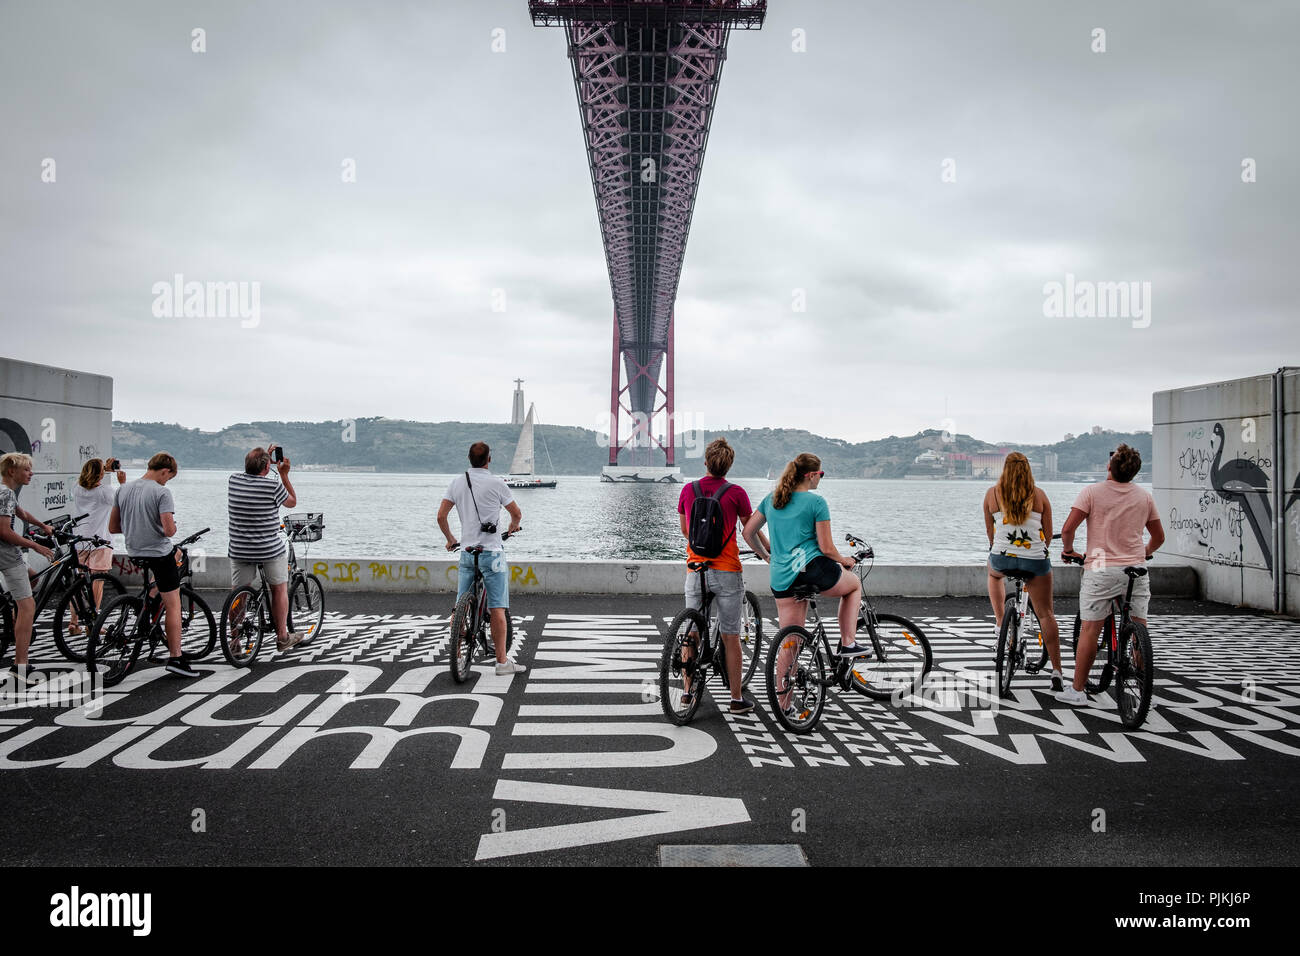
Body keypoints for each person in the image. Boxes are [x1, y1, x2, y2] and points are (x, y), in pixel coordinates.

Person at [743, 454, 865, 712]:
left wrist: (767, 556)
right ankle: (847, 642)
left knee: (790, 641)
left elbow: (747, 532)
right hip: (810, 570)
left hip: (781, 576)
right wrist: (845, 560)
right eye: (821, 475)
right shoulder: (816, 502)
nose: (821, 479)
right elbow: (827, 547)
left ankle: (784, 705)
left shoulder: (772, 499)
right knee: (853, 585)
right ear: (810, 475)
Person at [1059, 444, 1165, 705]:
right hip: (1136, 570)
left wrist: (1069, 550)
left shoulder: (1092, 492)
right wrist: (1145, 552)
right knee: (1139, 624)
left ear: (1109, 466)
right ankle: (1141, 681)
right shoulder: (1144, 497)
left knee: (1090, 629)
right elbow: (1159, 537)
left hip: (1101, 569)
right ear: (1135, 472)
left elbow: (1067, 529)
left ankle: (1077, 691)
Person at [676, 437, 768, 715]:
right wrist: (767, 552)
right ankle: (736, 698)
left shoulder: (688, 490)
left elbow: (686, 532)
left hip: (696, 570)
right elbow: (749, 531)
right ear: (729, 466)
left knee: (692, 632)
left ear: (705, 462)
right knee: (731, 636)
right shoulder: (736, 492)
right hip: (727, 571)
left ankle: (686, 693)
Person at [108, 452, 198, 678]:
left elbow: (113, 527)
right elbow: (169, 531)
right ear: (165, 471)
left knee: (160, 577)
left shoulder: (123, 489)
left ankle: (149, 597)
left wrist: (137, 527)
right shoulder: (162, 492)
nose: (167, 481)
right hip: (158, 552)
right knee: (174, 605)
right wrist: (170, 527)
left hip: (134, 551)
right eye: (169, 477)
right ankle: (176, 657)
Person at [437, 442, 524, 676]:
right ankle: (502, 663)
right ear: (489, 459)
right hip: (492, 554)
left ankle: (456, 654)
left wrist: (450, 539)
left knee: (458, 607)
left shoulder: (457, 482)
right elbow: (516, 513)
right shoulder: (497, 483)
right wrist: (513, 526)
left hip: (467, 552)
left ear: (469, 459)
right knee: (497, 608)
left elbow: (441, 516)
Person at [983, 452, 1063, 691]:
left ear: (1004, 470)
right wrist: (1038, 551)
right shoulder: (1039, 495)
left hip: (1002, 557)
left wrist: (998, 548)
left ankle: (1000, 622)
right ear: (1028, 470)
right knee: (1046, 613)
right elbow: (1047, 535)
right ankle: (1057, 672)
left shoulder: (992, 494)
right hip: (1034, 561)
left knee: (994, 574)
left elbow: (991, 533)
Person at [228, 445, 304, 653]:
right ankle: (282, 637)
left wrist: (265, 460)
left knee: (238, 595)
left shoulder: (233, 481)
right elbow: (292, 503)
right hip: (268, 550)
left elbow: (253, 470)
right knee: (279, 588)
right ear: (267, 467)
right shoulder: (273, 486)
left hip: (240, 548)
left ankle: (234, 641)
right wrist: (284, 475)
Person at [0, 452, 55, 684]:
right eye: (26, 469)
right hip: (6, 554)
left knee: (33, 579)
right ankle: (20, 664)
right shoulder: (5, 493)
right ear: (12, 471)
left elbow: (21, 514)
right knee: (27, 606)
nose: (31, 473)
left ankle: (14, 617)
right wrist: (36, 546)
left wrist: (43, 525)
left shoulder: (7, 493)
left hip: (8, 554)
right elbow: (4, 531)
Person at [67, 457, 126, 636]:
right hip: (100, 541)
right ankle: (93, 624)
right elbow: (122, 501)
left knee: (78, 584)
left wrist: (104, 470)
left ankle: (73, 622)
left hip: (80, 541)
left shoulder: (77, 489)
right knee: (97, 583)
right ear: (101, 474)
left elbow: (91, 480)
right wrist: (122, 482)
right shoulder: (105, 491)